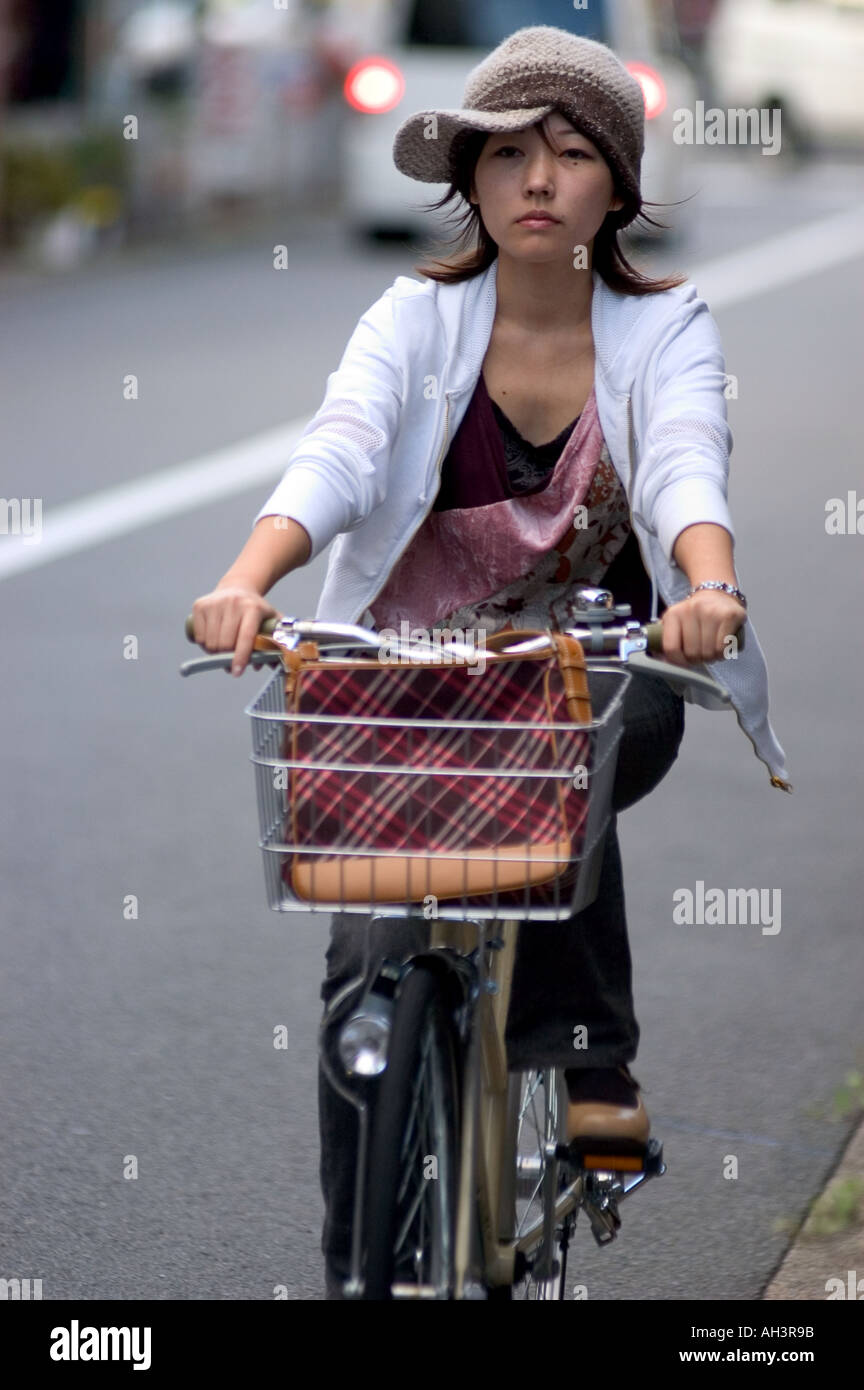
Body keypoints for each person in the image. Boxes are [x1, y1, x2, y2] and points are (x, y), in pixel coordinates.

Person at [189, 26, 791, 1298]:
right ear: (468, 178)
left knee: (561, 756)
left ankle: (590, 1056)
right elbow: (340, 449)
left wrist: (710, 585)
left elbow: (686, 456)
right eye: (505, 151)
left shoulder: (664, 323)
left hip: (594, 679)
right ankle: (359, 1265)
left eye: (569, 153)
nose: (534, 177)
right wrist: (248, 581)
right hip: (403, 682)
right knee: (365, 967)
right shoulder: (415, 317)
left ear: (615, 188)